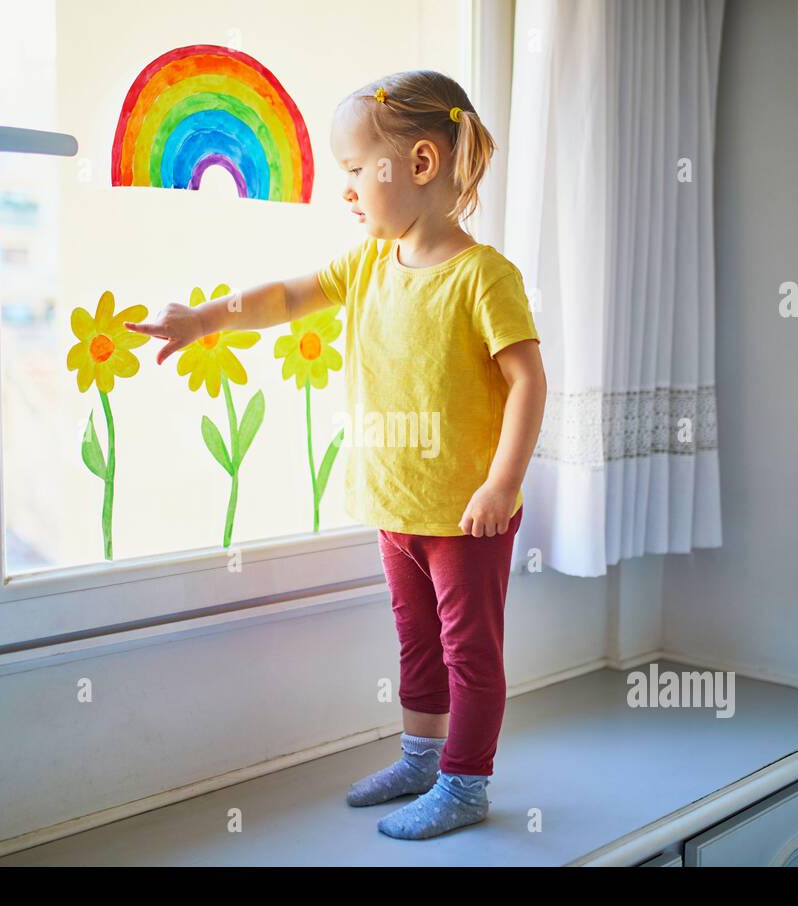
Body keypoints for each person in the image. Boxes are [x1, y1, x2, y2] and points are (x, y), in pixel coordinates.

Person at [126, 70, 547, 840]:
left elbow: (528, 381)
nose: (344, 188)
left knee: (469, 653)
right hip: (396, 503)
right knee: (416, 642)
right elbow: (285, 298)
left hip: (465, 517)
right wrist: (204, 320)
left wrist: (501, 483)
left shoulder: (483, 277)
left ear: (421, 164)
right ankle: (421, 759)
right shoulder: (366, 264)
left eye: (355, 168)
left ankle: (466, 783)